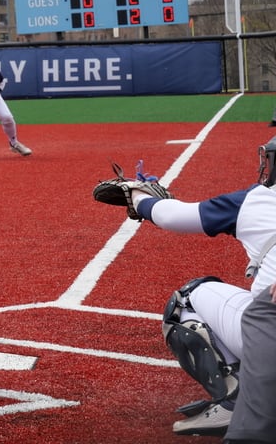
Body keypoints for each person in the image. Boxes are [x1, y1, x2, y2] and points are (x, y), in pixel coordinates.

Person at [112, 139, 276, 442]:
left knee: (187, 300)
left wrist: (138, 196)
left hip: (268, 338)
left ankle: (235, 400)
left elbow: (171, 216)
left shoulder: (257, 200)